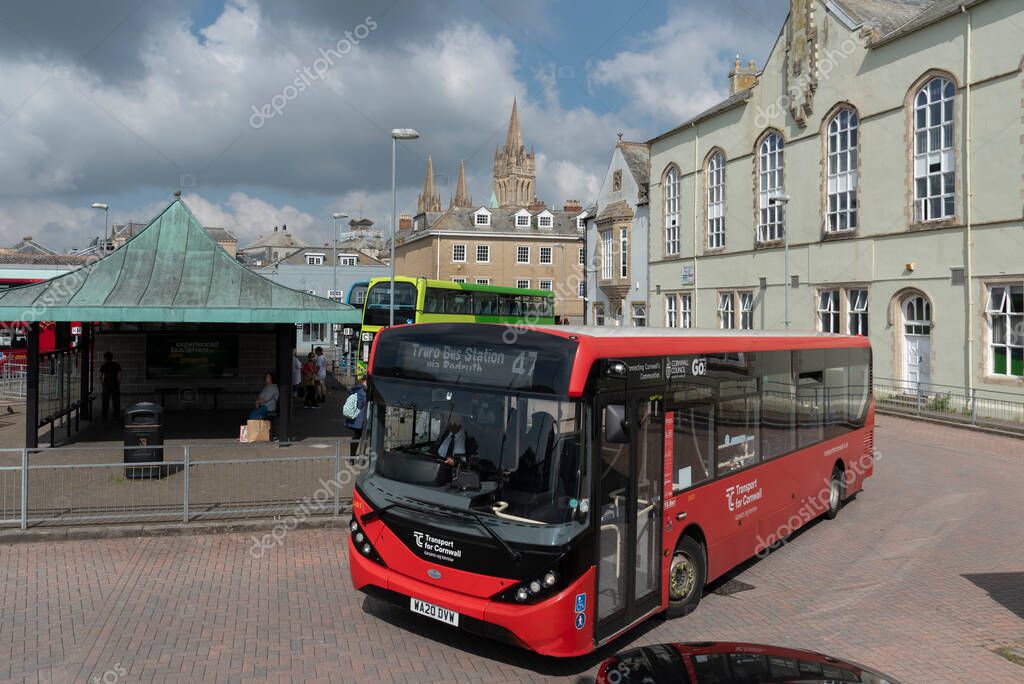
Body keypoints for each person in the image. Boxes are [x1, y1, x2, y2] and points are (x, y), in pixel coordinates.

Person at [344, 374, 367, 459]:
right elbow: (361, 403)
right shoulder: (362, 390)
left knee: (357, 436)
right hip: (360, 419)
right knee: (358, 436)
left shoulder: (357, 389)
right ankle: (353, 457)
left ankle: (353, 457)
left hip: (357, 418)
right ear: (364, 381)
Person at [99, 351, 122, 421]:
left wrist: (102, 383)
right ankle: (116, 415)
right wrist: (118, 383)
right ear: (112, 357)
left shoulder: (104, 365)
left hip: (106, 384)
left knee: (105, 400)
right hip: (114, 383)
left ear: (105, 358)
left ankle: (104, 416)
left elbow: (100, 376)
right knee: (116, 400)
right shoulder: (117, 365)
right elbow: (119, 375)